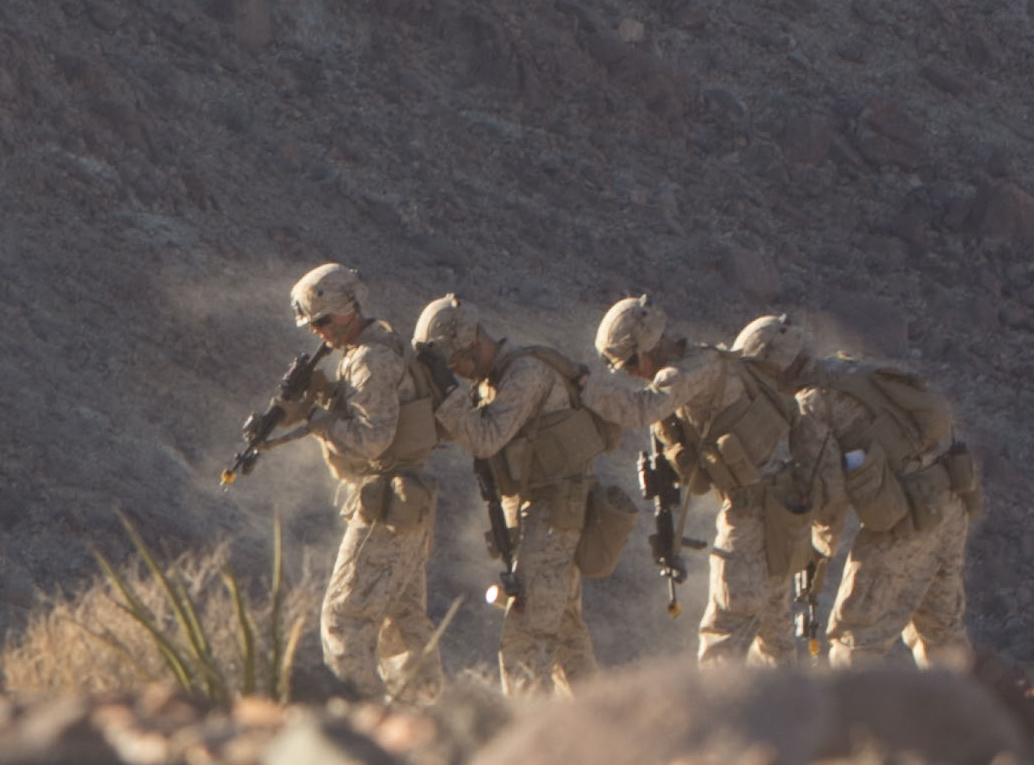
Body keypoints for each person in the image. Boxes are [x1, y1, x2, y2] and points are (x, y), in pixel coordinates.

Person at [419, 295, 665, 694]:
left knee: (525, 638)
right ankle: (595, 730)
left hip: (553, 517)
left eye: (455, 362)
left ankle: (526, 731)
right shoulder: (497, 381)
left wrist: (447, 395)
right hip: (547, 515)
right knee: (566, 635)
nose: (459, 373)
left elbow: (485, 438)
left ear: (470, 341)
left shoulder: (525, 374)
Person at [734, 315, 981, 664]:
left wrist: (820, 549)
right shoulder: (847, 370)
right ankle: (970, 715)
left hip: (911, 521)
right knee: (941, 629)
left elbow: (830, 490)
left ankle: (853, 719)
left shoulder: (811, 404)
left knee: (854, 639)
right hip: (949, 499)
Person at [598, 297, 812, 662]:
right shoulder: (705, 365)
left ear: (650, 343)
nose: (633, 373)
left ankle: (712, 716)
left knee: (723, 633)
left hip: (751, 518)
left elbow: (640, 409)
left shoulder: (692, 371)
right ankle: (791, 713)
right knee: (774, 637)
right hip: (776, 515)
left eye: (632, 362)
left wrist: (585, 389)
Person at [276, 264, 448, 701]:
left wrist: (315, 418)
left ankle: (366, 723)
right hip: (405, 504)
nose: (318, 332)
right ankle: (428, 719)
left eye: (323, 321)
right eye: (312, 324)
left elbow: (372, 440)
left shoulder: (370, 359)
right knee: (404, 624)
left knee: (344, 621)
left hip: (388, 504)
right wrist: (322, 399)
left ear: (346, 310)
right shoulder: (373, 351)